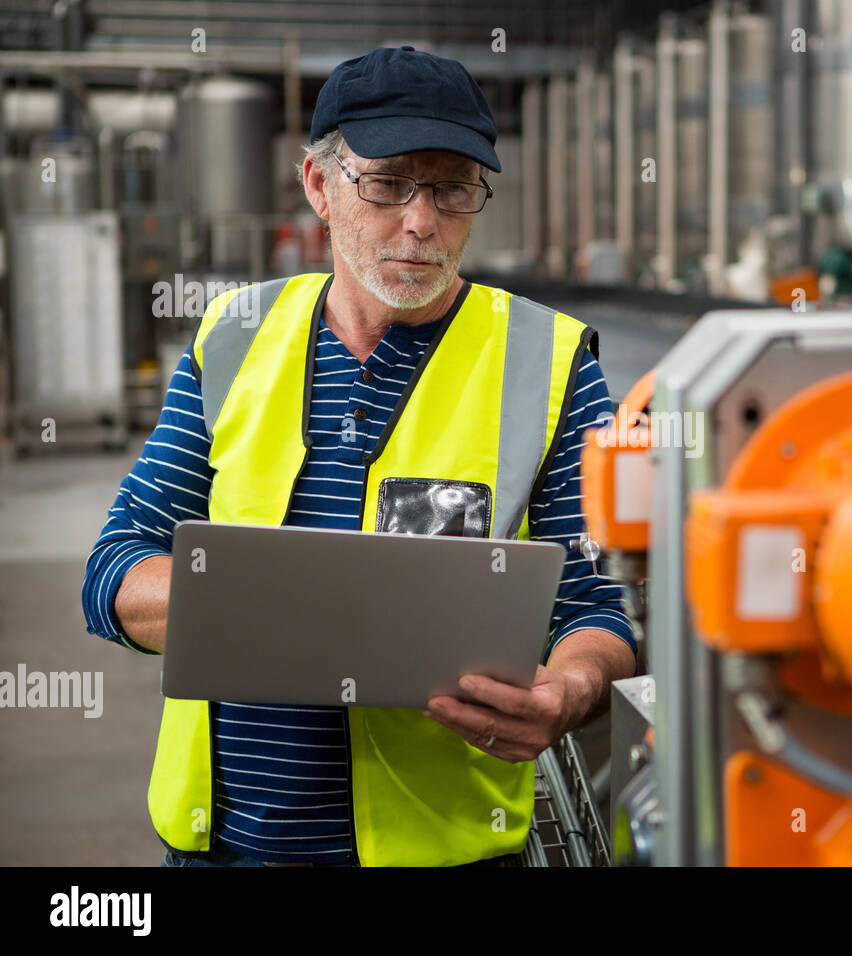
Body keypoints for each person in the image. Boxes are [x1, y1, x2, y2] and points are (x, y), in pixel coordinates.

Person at [81, 46, 636, 867]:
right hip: (225, 849)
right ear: (318, 185)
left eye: (452, 188)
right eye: (388, 183)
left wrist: (572, 691)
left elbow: (596, 607)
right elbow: (115, 567)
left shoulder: (550, 363)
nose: (421, 221)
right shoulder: (235, 335)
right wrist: (271, 613)